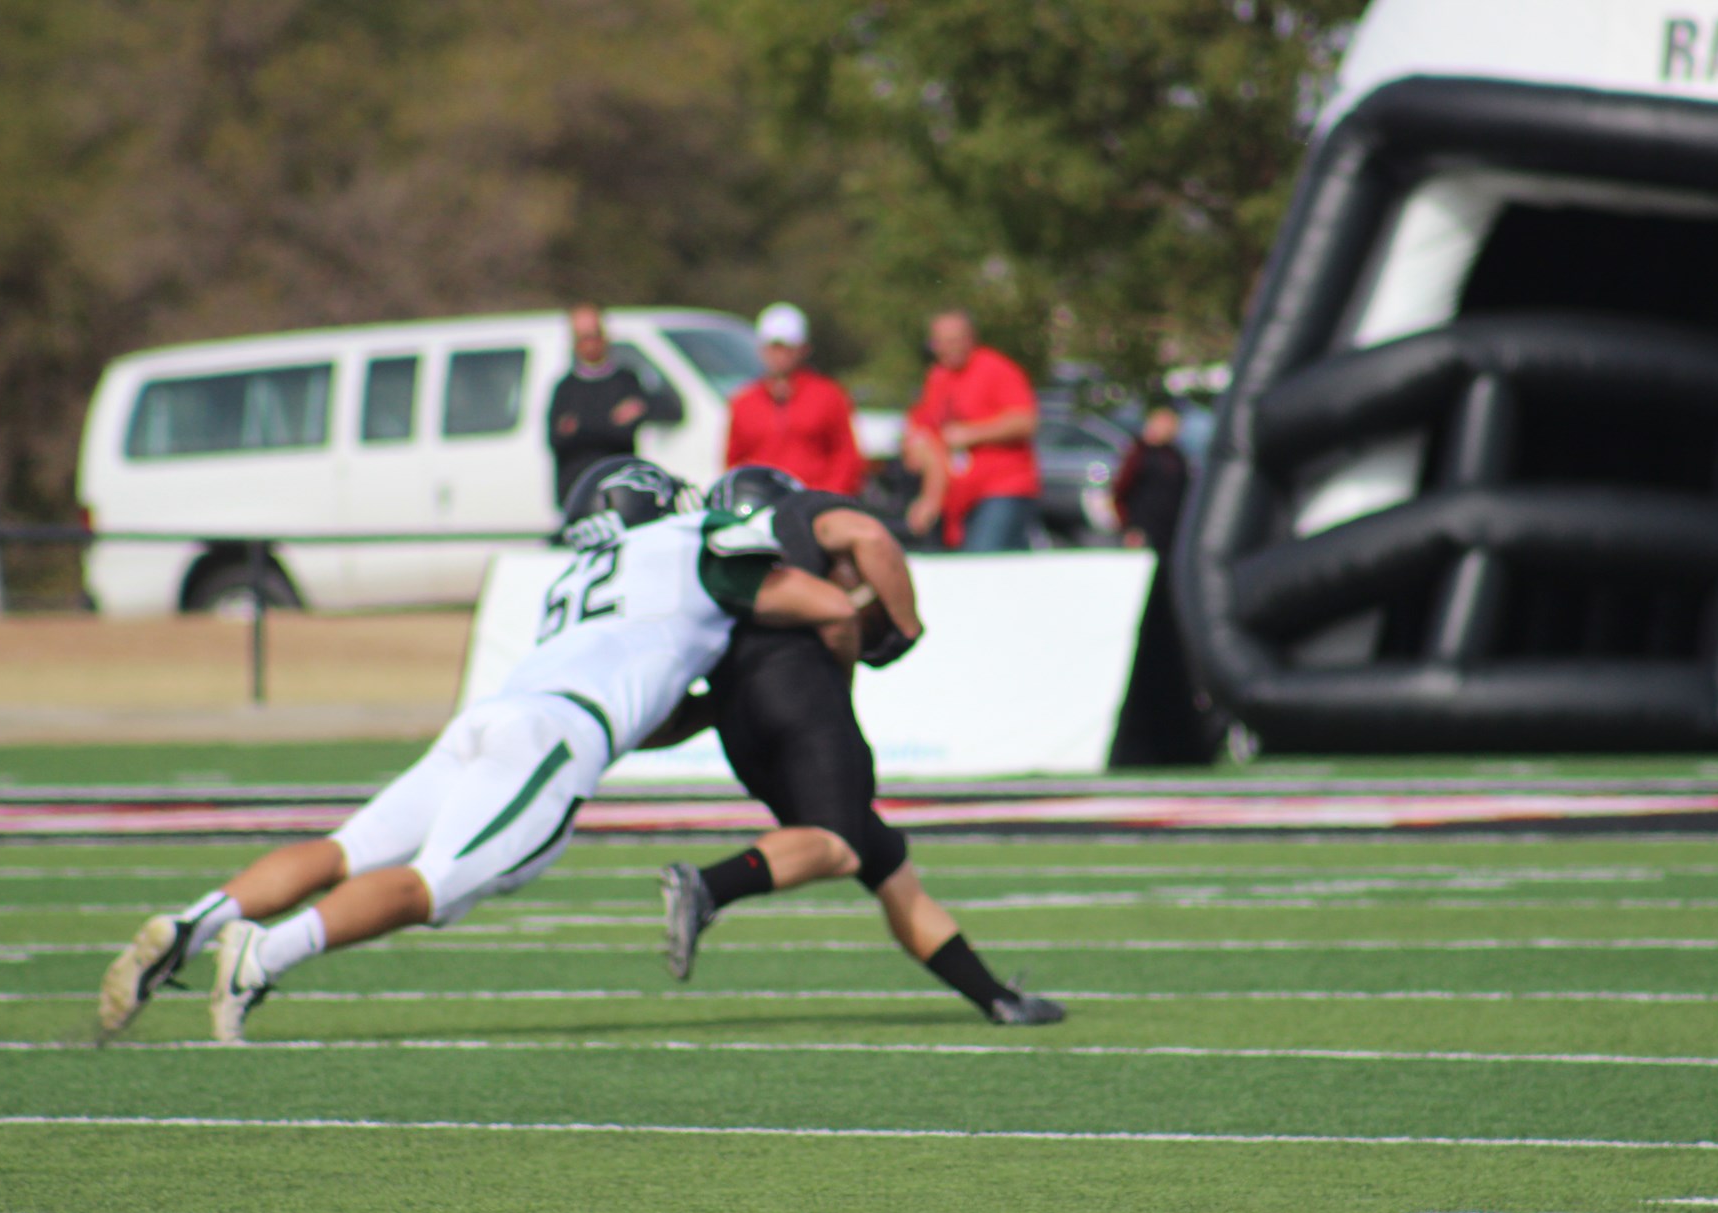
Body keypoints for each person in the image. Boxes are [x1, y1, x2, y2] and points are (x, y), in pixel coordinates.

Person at [98, 456, 856, 1043]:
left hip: (490, 717)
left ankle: (195, 922)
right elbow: (826, 605)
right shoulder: (700, 541)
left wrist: (703, 705)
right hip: (556, 735)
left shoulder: (581, 574)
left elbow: (647, 707)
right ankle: (264, 955)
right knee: (439, 886)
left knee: (344, 847)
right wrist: (839, 666)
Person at [657, 464, 1066, 1026]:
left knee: (886, 865)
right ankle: (707, 886)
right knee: (838, 844)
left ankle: (995, 998)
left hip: (735, 718)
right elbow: (868, 537)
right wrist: (903, 624)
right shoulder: (797, 514)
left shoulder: (701, 560)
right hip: (799, 693)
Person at [1107, 405, 1214, 767]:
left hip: (1172, 546)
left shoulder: (1178, 458)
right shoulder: (1139, 455)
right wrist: (1129, 529)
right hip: (1146, 543)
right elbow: (1118, 494)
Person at [903, 310, 1042, 552]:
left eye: (954, 341)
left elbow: (1025, 421)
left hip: (1002, 488)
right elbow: (924, 430)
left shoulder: (996, 369)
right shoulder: (938, 378)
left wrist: (972, 433)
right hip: (958, 498)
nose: (947, 348)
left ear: (970, 339)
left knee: (981, 559)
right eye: (940, 342)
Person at [723, 302, 867, 496]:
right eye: (775, 347)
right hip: (762, 505)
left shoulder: (828, 396)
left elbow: (846, 457)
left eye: (788, 348)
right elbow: (735, 463)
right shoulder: (743, 402)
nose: (780, 355)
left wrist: (828, 497)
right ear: (762, 349)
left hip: (815, 504)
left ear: (803, 349)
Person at [546, 304, 650, 506]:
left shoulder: (626, 381)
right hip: (577, 493)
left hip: (621, 492)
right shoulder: (565, 388)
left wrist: (580, 427)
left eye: (595, 335)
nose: (590, 344)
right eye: (583, 338)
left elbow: (626, 434)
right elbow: (557, 441)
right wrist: (609, 422)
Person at [1112, 405, 1191, 554]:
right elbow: (1120, 491)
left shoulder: (1174, 455)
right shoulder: (1139, 454)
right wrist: (1129, 527)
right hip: (1143, 528)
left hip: (1171, 528)